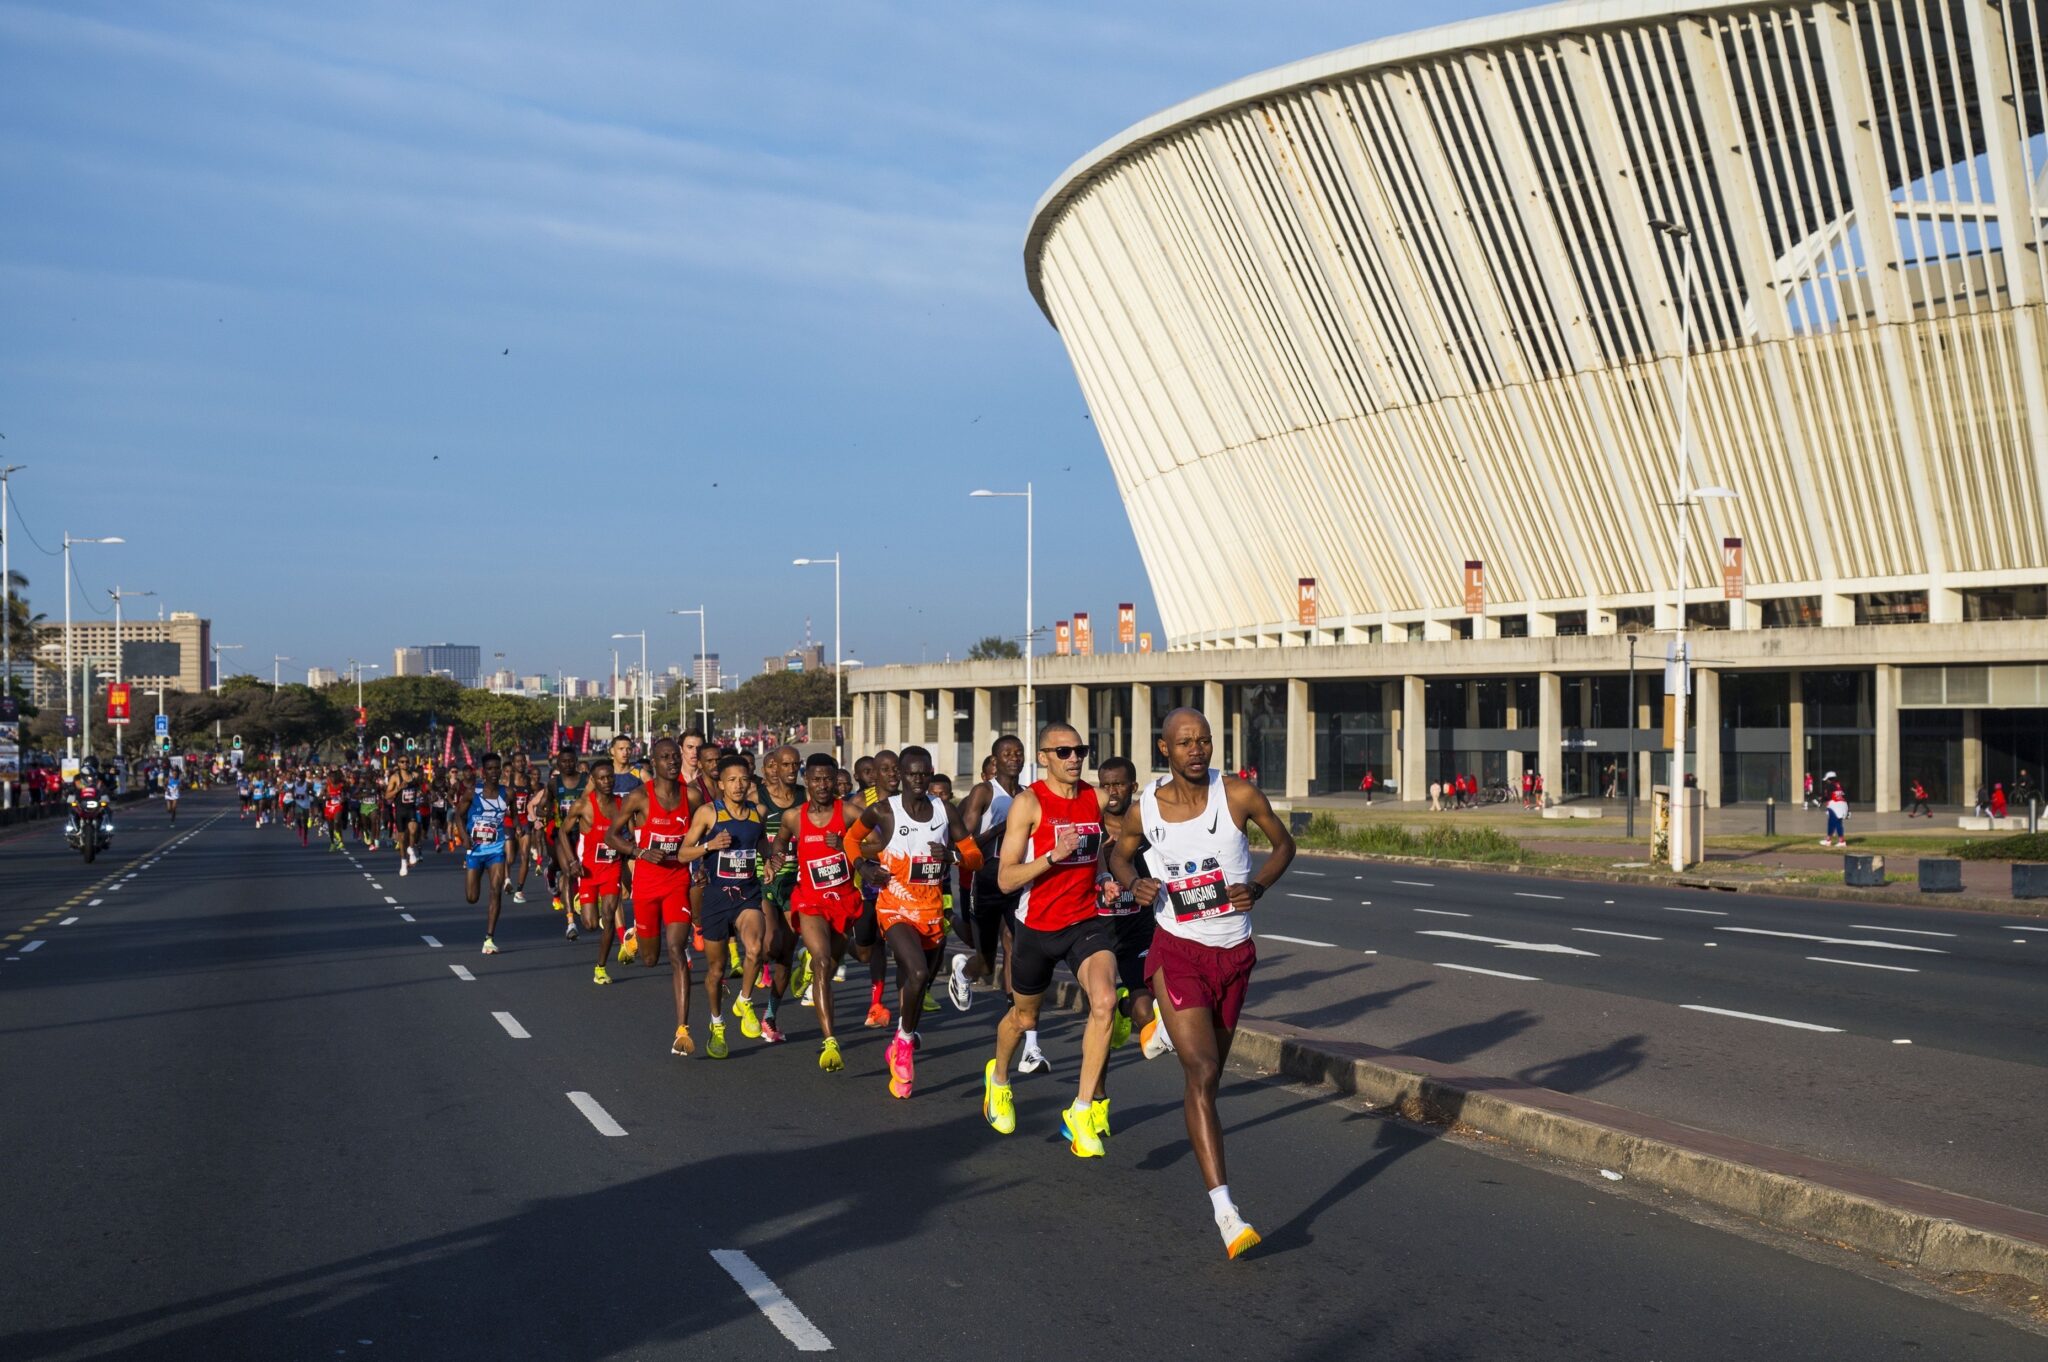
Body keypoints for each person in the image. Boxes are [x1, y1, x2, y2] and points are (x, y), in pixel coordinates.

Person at [1111, 707, 1296, 1260]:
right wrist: (1135, 883)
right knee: (1204, 1071)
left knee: (1209, 1082)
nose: (1197, 750)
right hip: (1178, 949)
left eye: (1205, 740)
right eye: (1185, 742)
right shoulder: (1147, 808)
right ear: (1164, 749)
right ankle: (1226, 1211)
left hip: (1234, 955)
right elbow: (1118, 855)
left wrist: (1257, 887)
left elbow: (1284, 846)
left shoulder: (1237, 794)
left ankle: (1159, 1023)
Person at [981, 723, 1117, 1159]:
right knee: (1023, 1019)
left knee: (1105, 1002)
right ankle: (999, 1079)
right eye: (1063, 752)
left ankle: (1081, 1110)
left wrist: (1105, 877)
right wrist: (1051, 857)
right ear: (1043, 757)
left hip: (1084, 922)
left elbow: (1097, 853)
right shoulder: (1029, 803)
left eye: (1080, 750)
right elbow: (1006, 880)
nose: (1074, 758)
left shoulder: (1095, 798)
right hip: (1037, 927)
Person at [851, 745, 981, 1097]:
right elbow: (851, 839)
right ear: (902, 775)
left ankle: (900, 1038)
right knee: (919, 973)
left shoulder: (944, 810)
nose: (918, 779)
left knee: (920, 985)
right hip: (894, 907)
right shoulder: (884, 810)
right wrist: (863, 867)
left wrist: (952, 856)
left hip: (931, 911)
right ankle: (906, 1044)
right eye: (912, 774)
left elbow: (975, 857)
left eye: (924, 773)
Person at [604, 736, 713, 1057]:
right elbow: (611, 835)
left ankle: (682, 1030)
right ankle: (636, 936)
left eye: (675, 756)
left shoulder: (691, 796)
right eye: (665, 757)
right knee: (651, 960)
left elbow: (704, 833)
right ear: (654, 761)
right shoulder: (639, 797)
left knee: (677, 950)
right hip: (647, 887)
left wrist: (702, 865)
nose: (672, 762)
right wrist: (638, 852)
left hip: (678, 881)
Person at [768, 752, 865, 1072]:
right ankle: (830, 1042)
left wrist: (847, 844)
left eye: (828, 779)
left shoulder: (849, 812)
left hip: (844, 902)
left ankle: (806, 965)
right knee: (823, 963)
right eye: (816, 779)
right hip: (810, 901)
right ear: (806, 781)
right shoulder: (794, 817)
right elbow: (780, 842)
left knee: (831, 963)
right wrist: (776, 858)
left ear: (836, 780)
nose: (822, 785)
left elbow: (879, 843)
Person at [682, 755, 771, 1060]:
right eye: (731, 780)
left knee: (756, 948)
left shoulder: (758, 812)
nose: (738, 785)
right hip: (716, 898)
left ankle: (744, 1000)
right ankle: (717, 1023)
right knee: (716, 970)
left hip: (747, 894)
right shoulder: (709, 813)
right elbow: (683, 853)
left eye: (743, 779)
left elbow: (761, 842)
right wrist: (709, 846)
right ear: (720, 784)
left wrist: (769, 860)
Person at [1089, 755, 1154, 1131]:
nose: (1112, 791)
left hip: (1138, 933)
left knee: (1145, 1013)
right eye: (1105, 784)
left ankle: (1127, 1006)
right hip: (1097, 936)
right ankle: (1097, 1101)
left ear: (1133, 786)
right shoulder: (1090, 826)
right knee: (1100, 1021)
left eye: (1119, 784)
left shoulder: (1147, 825)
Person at [951, 736, 1026, 1027]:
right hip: (985, 879)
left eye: (1018, 753)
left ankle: (1014, 1008)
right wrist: (999, 829)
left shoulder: (1027, 795)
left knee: (1014, 942)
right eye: (1007, 753)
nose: (1014, 758)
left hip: (1016, 878)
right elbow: (964, 844)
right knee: (985, 962)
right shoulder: (984, 792)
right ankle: (964, 972)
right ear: (995, 760)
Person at [463, 753, 514, 953]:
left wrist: (517, 827)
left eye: (497, 768)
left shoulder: (507, 793)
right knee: (472, 897)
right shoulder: (472, 792)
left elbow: (514, 815)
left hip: (496, 850)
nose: (494, 772)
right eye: (490, 769)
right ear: (483, 772)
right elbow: (458, 815)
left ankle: (489, 938)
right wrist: (464, 837)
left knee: (495, 891)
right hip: (475, 851)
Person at [1822, 784, 1850, 848]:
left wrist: (1822, 800)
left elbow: (1827, 797)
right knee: (1837, 823)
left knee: (1834, 823)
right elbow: (1846, 798)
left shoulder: (1832, 788)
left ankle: (1838, 841)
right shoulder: (1839, 789)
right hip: (1840, 806)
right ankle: (1831, 840)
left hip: (1835, 806)